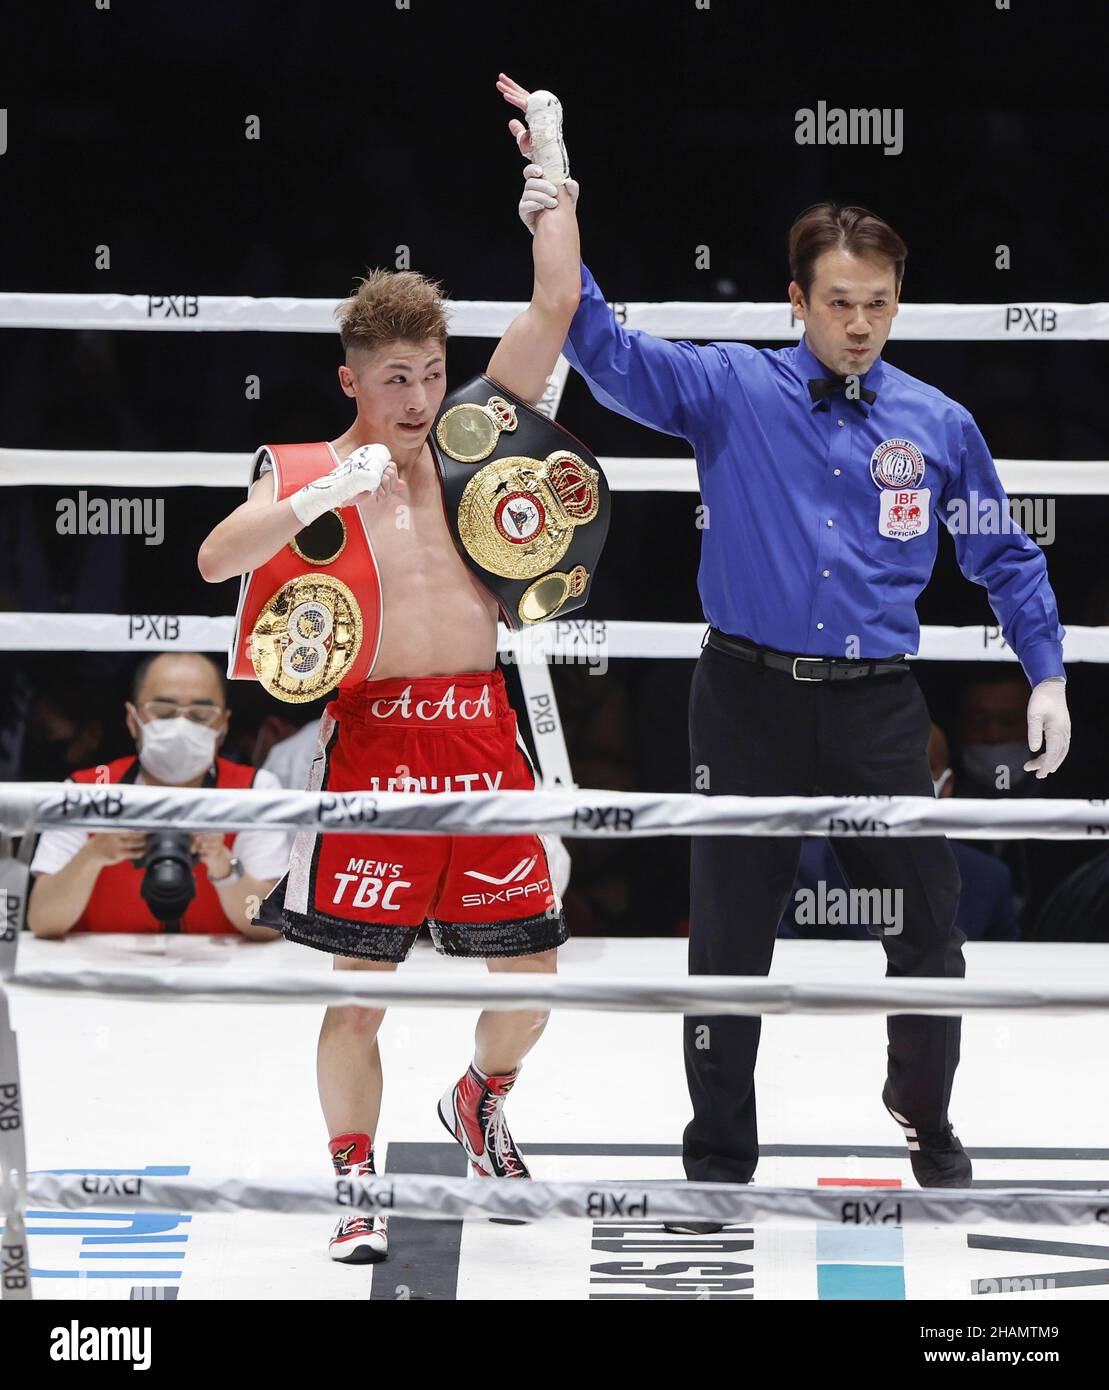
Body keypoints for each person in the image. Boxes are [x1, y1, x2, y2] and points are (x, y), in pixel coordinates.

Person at [505, 80, 1070, 1219]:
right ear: (795, 302)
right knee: (725, 943)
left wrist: (1044, 666)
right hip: (744, 698)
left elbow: (1000, 555)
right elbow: (600, 344)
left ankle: (927, 1113)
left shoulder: (936, 424)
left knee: (930, 932)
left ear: (896, 301)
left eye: (877, 303)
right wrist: (554, 194)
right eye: (839, 303)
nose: (859, 323)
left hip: (872, 708)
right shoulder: (731, 390)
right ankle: (717, 1151)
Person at [198, 88, 594, 1265]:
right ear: (352, 383)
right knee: (358, 988)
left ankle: (478, 1096)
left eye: (428, 374)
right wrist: (316, 498)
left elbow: (556, 301)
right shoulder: (310, 462)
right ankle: (354, 1182)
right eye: (394, 381)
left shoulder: (478, 432)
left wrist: (551, 174)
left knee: (536, 971)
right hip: (372, 741)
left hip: (481, 733)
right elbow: (218, 554)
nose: (417, 400)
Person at [27, 653, 285, 940]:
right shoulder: (85, 791)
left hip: (222, 976)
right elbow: (43, 919)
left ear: (223, 726)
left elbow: (266, 926)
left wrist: (225, 867)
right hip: (102, 975)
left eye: (200, 716)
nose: (181, 726)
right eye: (163, 713)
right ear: (132, 719)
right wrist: (94, 853)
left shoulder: (255, 790)